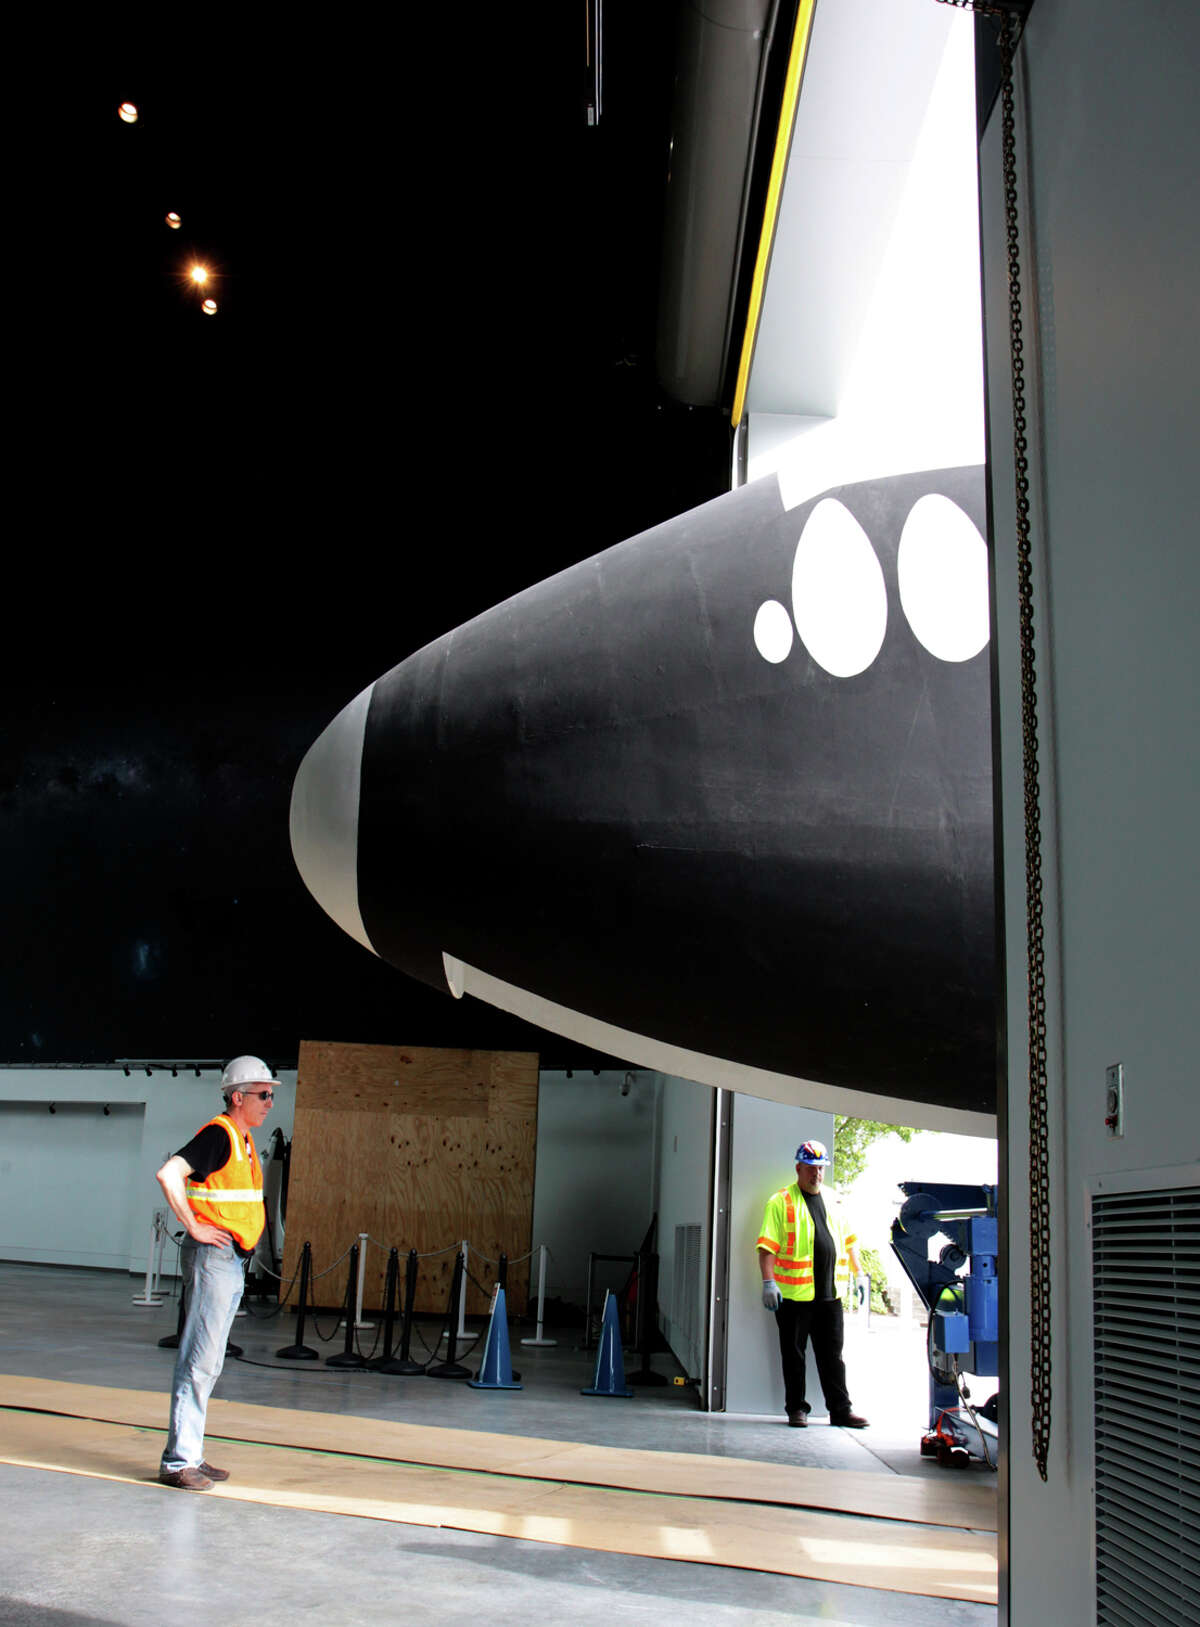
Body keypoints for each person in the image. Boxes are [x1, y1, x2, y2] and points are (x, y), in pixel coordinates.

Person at [155, 1055, 275, 1489]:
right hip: (215, 1261)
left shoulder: (241, 1140)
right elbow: (169, 1174)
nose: (269, 1102)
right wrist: (193, 1225)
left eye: (271, 1095)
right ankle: (178, 1462)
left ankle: (192, 1454)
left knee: (209, 1362)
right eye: (263, 1095)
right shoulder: (219, 1135)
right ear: (237, 1097)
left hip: (231, 1262)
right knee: (197, 1361)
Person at [756, 1139, 869, 1429]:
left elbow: (850, 1242)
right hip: (794, 1297)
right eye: (810, 1168)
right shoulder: (781, 1201)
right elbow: (766, 1247)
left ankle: (841, 1411)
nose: (816, 1174)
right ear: (798, 1168)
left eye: (820, 1169)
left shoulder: (835, 1200)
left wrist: (859, 1275)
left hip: (830, 1297)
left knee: (833, 1357)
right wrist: (768, 1282)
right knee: (794, 1356)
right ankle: (797, 1409)